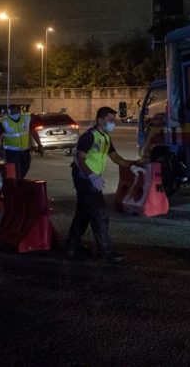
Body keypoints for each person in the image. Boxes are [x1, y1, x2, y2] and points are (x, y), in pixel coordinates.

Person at [65, 106, 139, 263]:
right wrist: (91, 176)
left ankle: (72, 246)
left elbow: (116, 158)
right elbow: (80, 158)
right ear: (100, 120)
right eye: (111, 120)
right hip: (85, 179)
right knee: (100, 215)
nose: (114, 124)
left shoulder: (105, 137)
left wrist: (133, 165)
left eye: (114, 121)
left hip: (91, 179)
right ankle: (105, 252)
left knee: (83, 213)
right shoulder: (89, 136)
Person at [0, 104, 42, 178]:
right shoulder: (4, 122)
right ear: (8, 112)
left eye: (15, 112)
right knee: (16, 171)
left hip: (25, 150)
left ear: (19, 111)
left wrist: (39, 144)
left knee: (25, 167)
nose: (14, 114)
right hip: (11, 151)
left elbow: (33, 132)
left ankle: (18, 182)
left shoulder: (26, 119)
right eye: (11, 112)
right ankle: (17, 185)